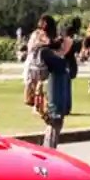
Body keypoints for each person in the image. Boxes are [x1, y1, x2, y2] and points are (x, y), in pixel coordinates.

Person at [36, 15, 73, 149]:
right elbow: (59, 64)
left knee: (55, 121)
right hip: (53, 88)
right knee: (54, 121)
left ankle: (50, 148)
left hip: (55, 87)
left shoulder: (47, 49)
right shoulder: (44, 51)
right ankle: (49, 149)